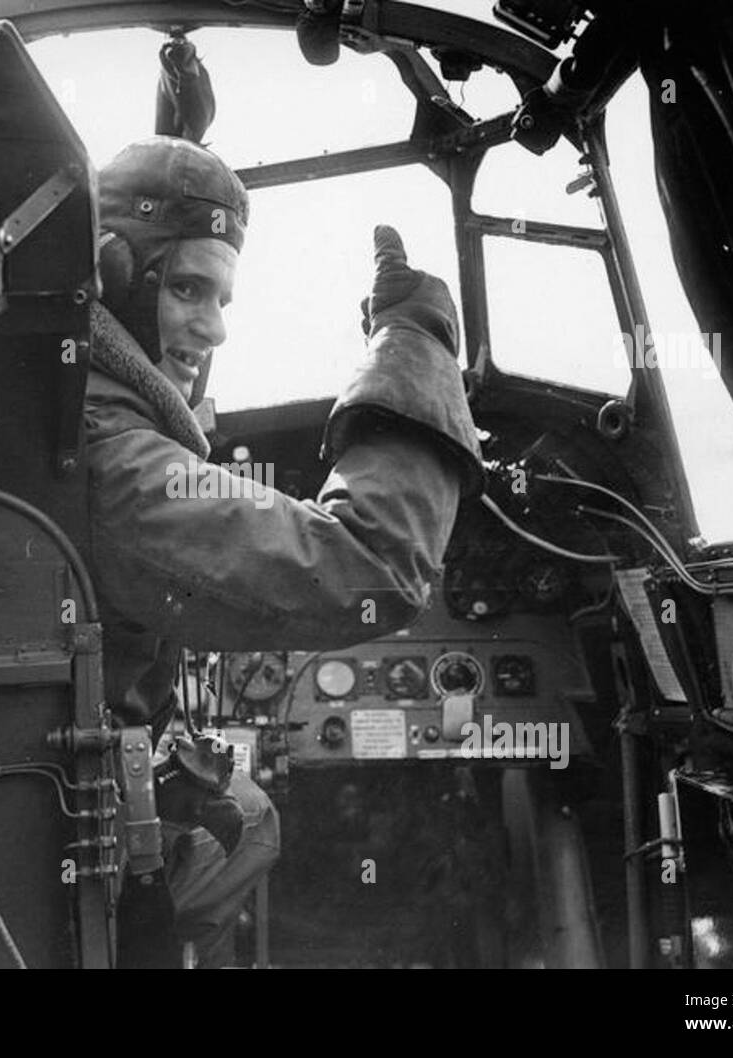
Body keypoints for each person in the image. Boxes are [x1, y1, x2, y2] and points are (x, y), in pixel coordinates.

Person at [87, 136, 484, 965]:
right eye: (189, 290)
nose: (215, 328)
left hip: (80, 768)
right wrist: (416, 347)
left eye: (223, 297)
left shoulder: (75, 409)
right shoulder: (113, 456)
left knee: (251, 817)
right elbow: (370, 570)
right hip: (67, 809)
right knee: (253, 826)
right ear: (112, 277)